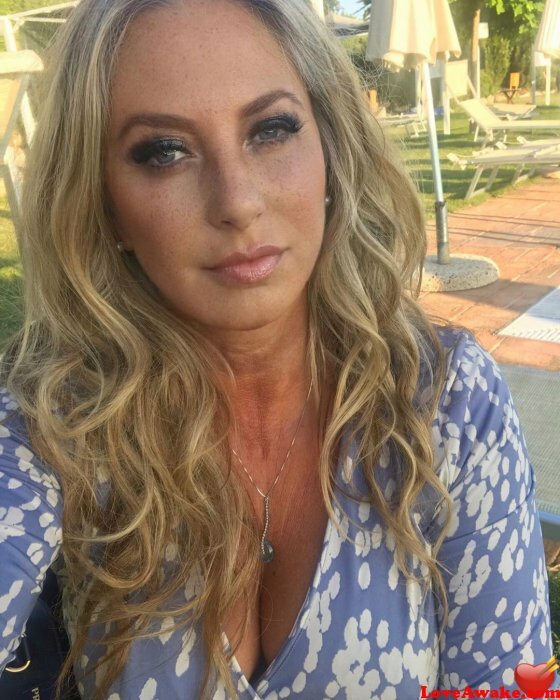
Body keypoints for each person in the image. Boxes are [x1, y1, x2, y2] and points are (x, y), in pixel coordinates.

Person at [0, 0, 553, 698]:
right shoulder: (51, 424)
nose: (237, 201)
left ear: (331, 148)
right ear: (104, 205)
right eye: (164, 151)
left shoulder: (446, 400)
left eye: (270, 129)